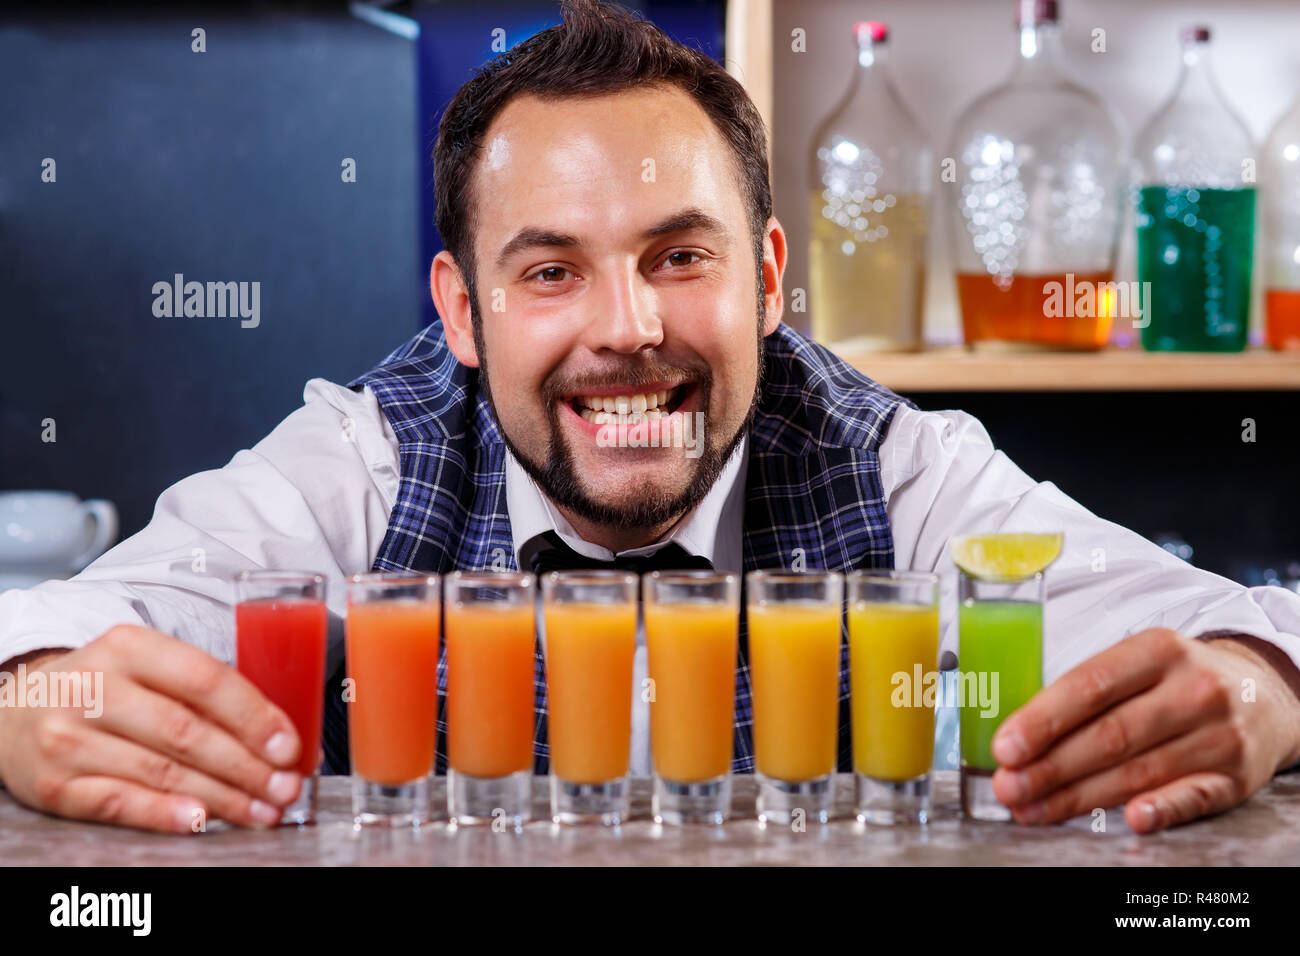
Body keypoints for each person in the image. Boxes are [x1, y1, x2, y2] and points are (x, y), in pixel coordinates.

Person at [1, 0, 1297, 836]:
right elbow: (76, 627)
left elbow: (1220, 627)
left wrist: (1259, 687)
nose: (625, 327)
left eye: (681, 257)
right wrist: (27, 697)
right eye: (549, 271)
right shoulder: (369, 456)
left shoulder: (887, 463)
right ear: (461, 313)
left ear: (770, 281)